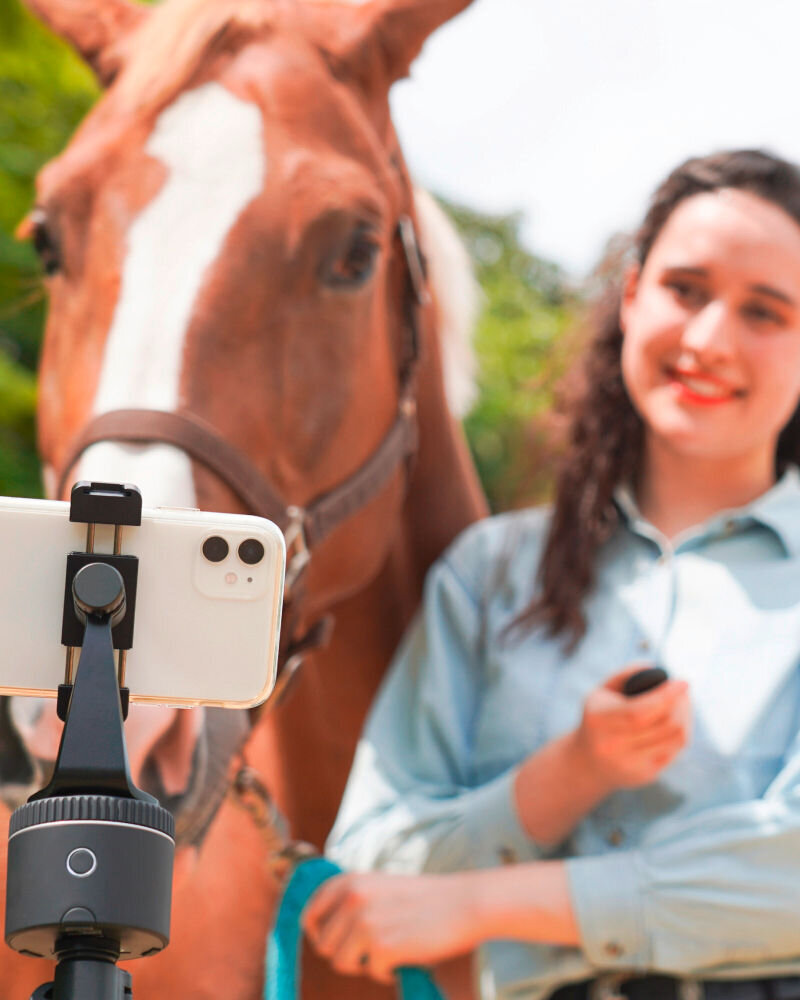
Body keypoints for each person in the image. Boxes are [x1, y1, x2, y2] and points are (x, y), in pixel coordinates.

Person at [301, 149, 800, 1000]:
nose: (710, 339)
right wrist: (563, 777)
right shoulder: (493, 571)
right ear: (634, 293)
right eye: (686, 289)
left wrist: (485, 902)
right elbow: (373, 859)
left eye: (766, 312)